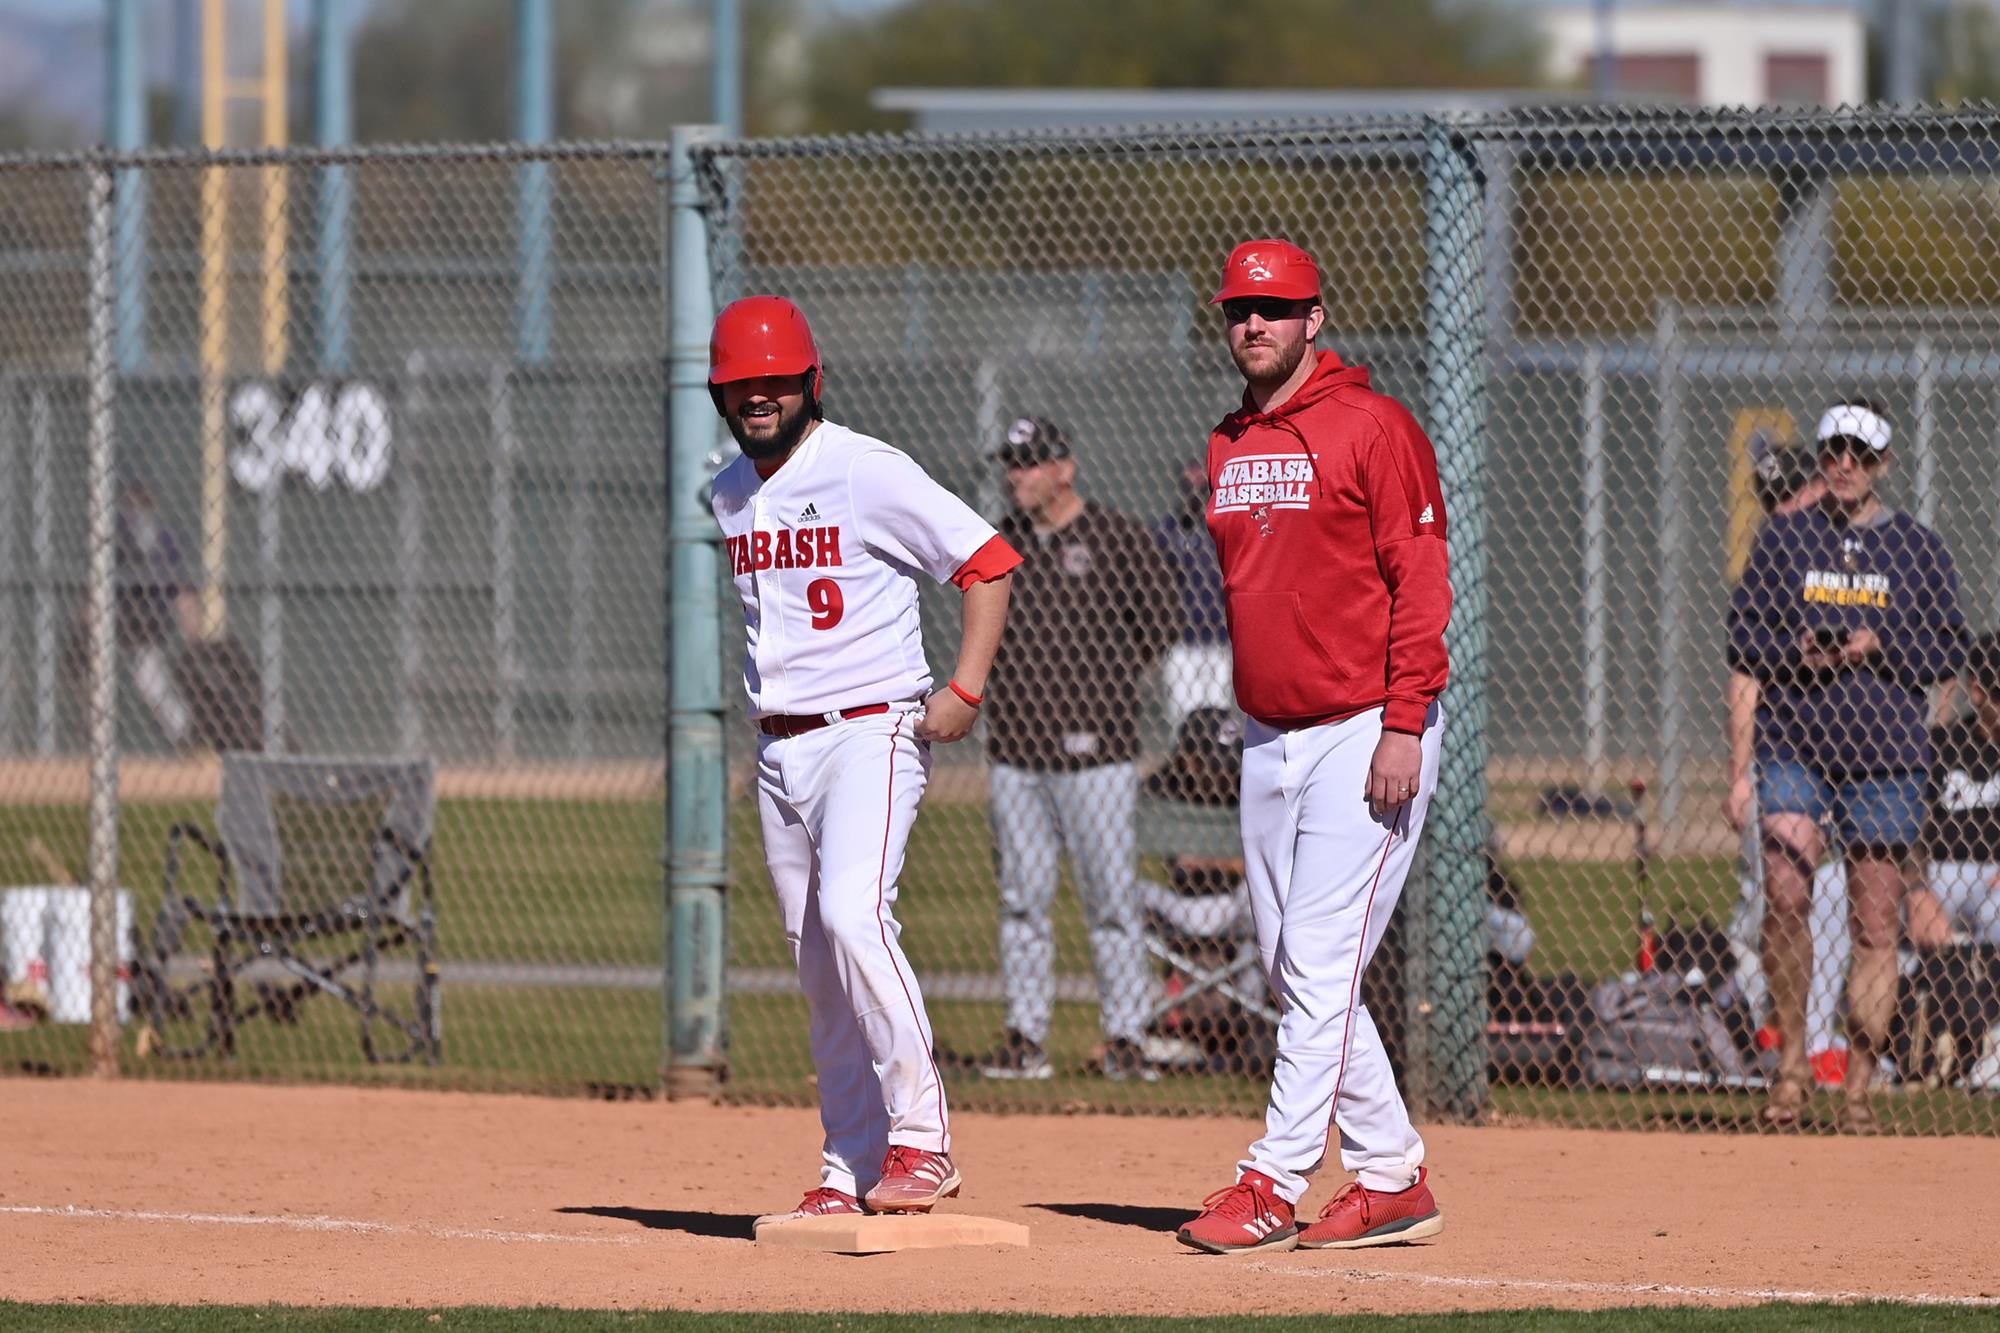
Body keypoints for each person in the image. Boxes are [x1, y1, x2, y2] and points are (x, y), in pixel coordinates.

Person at [705, 296, 1022, 1226]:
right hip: (779, 748)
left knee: (853, 916)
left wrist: (964, 686)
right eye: (741, 383)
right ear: (720, 391)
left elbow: (987, 561)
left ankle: (922, 1140)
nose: (759, 395)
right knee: (818, 966)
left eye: (776, 380)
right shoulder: (728, 491)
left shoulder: (862, 467)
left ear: (812, 381)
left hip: (870, 731)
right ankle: (849, 1160)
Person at [1176, 238, 1451, 1255]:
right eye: (1238, 310)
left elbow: (1420, 576)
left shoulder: (1373, 427)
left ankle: (1269, 1178)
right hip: (1267, 732)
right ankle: (1389, 1176)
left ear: (1313, 318)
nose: (1253, 324)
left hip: (1362, 726)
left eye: (1274, 308)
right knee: (1297, 967)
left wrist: (1404, 720)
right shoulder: (1225, 441)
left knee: (1321, 958)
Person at [1729, 397, 1967, 1131]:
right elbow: (1743, 642)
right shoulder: (1785, 540)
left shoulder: (1918, 550)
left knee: (1875, 923)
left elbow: (1948, 651)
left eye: (1860, 455)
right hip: (1795, 742)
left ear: (1883, 464)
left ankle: (1859, 1089)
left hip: (1885, 755)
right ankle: (1793, 1069)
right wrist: (1797, 652)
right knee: (1785, 890)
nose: (1843, 464)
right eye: (1834, 449)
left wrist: (1879, 645)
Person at [953, 415, 1181, 1083]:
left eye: (1029, 463)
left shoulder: (1115, 537)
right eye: (1011, 463)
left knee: (1112, 901)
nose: (1016, 475)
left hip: (1098, 756)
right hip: (1016, 753)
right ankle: (1026, 1036)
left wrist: (1101, 686)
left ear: (1064, 468)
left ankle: (1129, 1037)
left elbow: (1159, 624)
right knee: (1023, 900)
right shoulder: (1003, 542)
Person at [1723, 438, 1850, 1083]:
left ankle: (1827, 1041)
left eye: (1788, 495)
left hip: (1860, 758)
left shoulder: (1856, 555)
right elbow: (1744, 678)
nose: (1778, 510)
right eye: (1768, 499)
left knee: (1841, 898)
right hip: (1787, 757)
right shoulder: (1768, 566)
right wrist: (1739, 773)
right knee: (1768, 900)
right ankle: (1774, 1039)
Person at [1153, 459, 1234, 740]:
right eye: (1189, 485)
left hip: (1219, 640)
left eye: (1200, 486)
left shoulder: (1222, 529)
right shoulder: (1168, 532)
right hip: (1182, 642)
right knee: (1182, 719)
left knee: (1218, 715)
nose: (1194, 492)